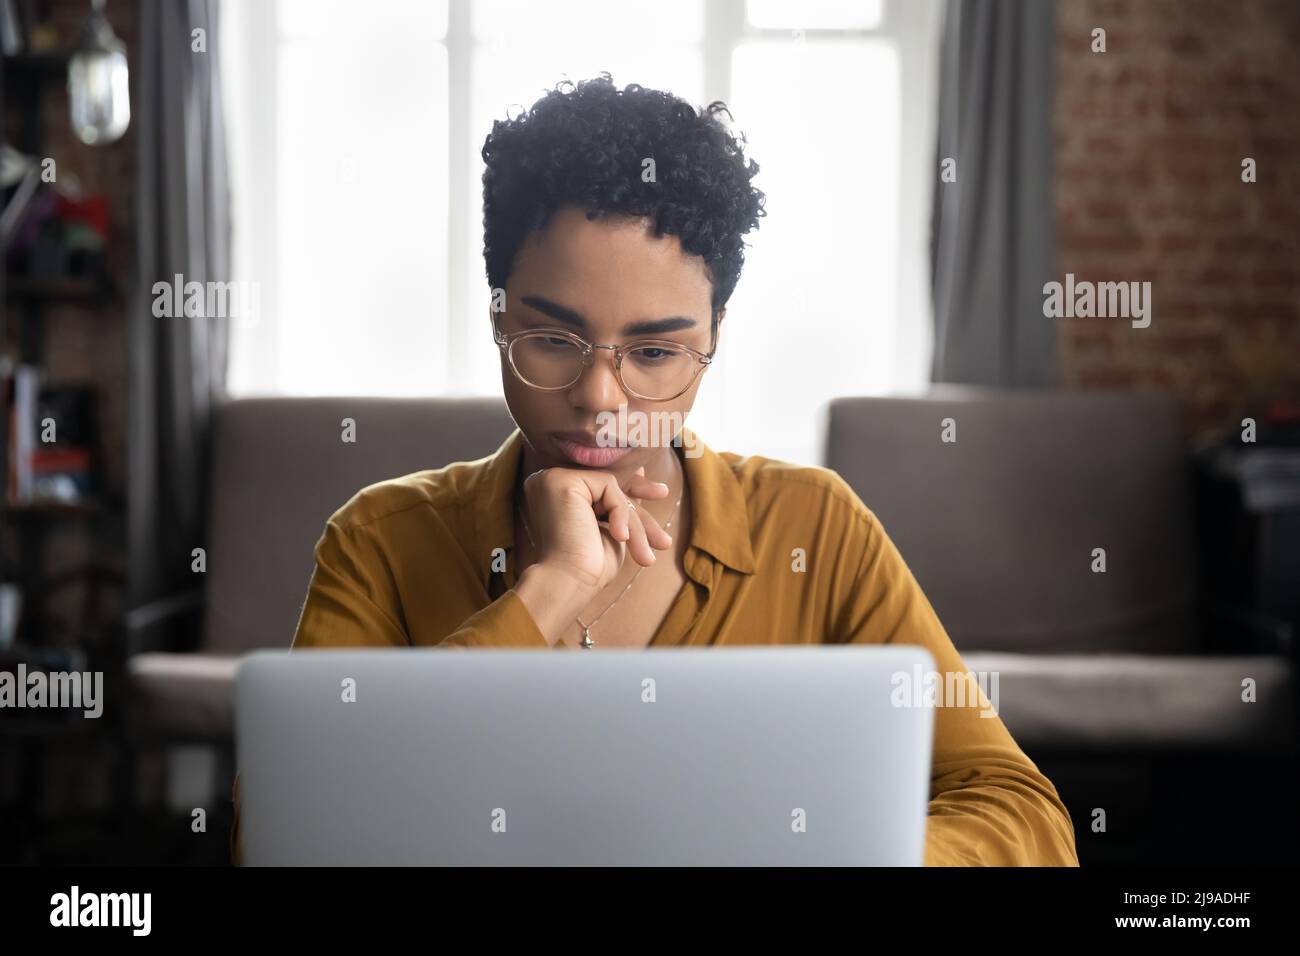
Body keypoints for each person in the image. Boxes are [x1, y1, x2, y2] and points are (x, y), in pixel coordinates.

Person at [230, 73, 1077, 867]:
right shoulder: (379, 541)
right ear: (496, 317)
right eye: (553, 339)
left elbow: (1022, 813)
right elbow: (289, 835)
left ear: (715, 338)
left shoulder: (815, 528)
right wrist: (546, 593)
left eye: (656, 351)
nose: (601, 397)